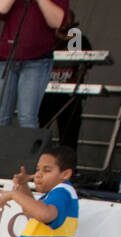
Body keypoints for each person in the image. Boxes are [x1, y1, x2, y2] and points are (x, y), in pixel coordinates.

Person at [0, 0, 69, 129]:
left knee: (27, 117)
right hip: (7, 58)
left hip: (37, 60)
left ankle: (27, 149)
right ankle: (0, 149)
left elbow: (56, 21)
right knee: (0, 117)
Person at [38, 8, 89, 150]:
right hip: (44, 94)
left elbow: (84, 66)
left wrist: (73, 84)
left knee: (68, 136)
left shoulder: (78, 38)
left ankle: (67, 167)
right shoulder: (45, 38)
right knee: (38, 132)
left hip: (68, 95)